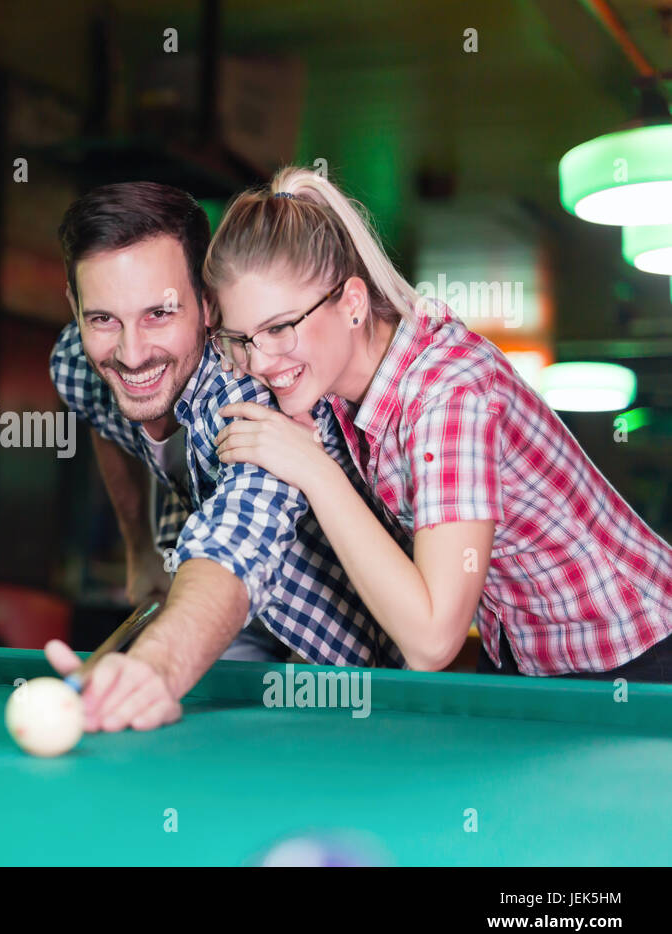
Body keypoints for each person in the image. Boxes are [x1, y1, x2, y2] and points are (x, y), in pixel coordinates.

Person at [207, 166, 672, 680]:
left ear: (354, 304)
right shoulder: (339, 379)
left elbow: (432, 643)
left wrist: (315, 472)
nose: (263, 360)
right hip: (526, 654)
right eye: (241, 339)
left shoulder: (448, 394)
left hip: (641, 650)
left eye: (280, 327)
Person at [45, 181, 406, 734]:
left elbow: (237, 536)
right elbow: (106, 422)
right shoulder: (78, 363)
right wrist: (140, 549)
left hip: (346, 661)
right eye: (103, 320)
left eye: (159, 314)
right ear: (75, 308)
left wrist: (158, 667)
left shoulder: (251, 389)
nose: (131, 353)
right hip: (228, 627)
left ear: (208, 305)